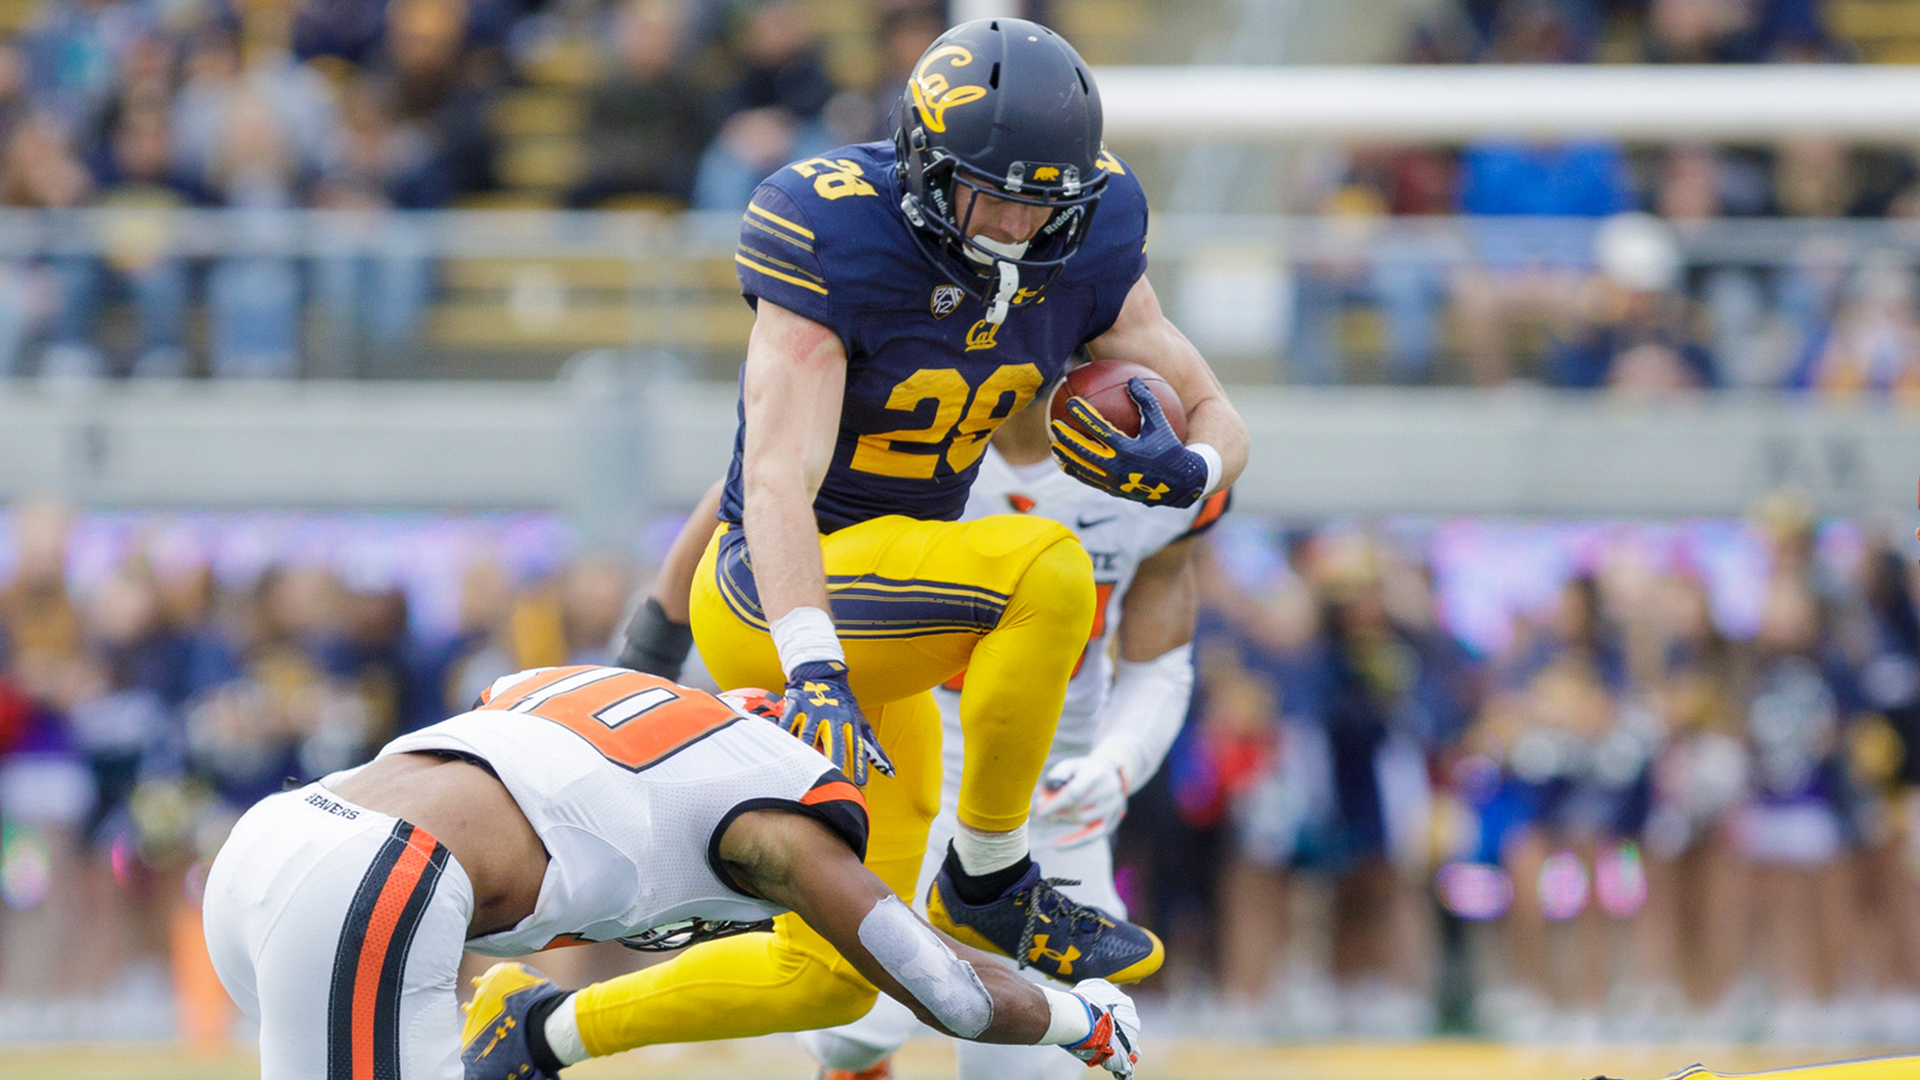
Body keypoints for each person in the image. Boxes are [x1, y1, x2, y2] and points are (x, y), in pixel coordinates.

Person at [466, 15, 1246, 1073]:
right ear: (926, 164)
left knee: (835, 969)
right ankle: (992, 875)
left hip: (903, 603)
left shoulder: (1095, 232)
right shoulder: (832, 225)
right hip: (777, 597)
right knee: (1044, 570)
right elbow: (767, 474)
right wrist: (792, 661)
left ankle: (539, 1029)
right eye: (994, 193)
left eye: (1041, 199)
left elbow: (1211, 407)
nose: (1018, 225)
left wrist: (1192, 474)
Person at [202, 664, 1141, 1080]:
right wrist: (1082, 1019)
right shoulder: (775, 814)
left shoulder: (597, 692)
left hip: (275, 837)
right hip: (373, 884)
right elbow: (949, 993)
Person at [797, 385, 1228, 1080]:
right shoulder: (901, 440)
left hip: (1049, 796)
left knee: (1034, 1067)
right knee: (850, 1026)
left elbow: (1162, 664)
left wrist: (1117, 764)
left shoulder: (1150, 460)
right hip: (905, 772)